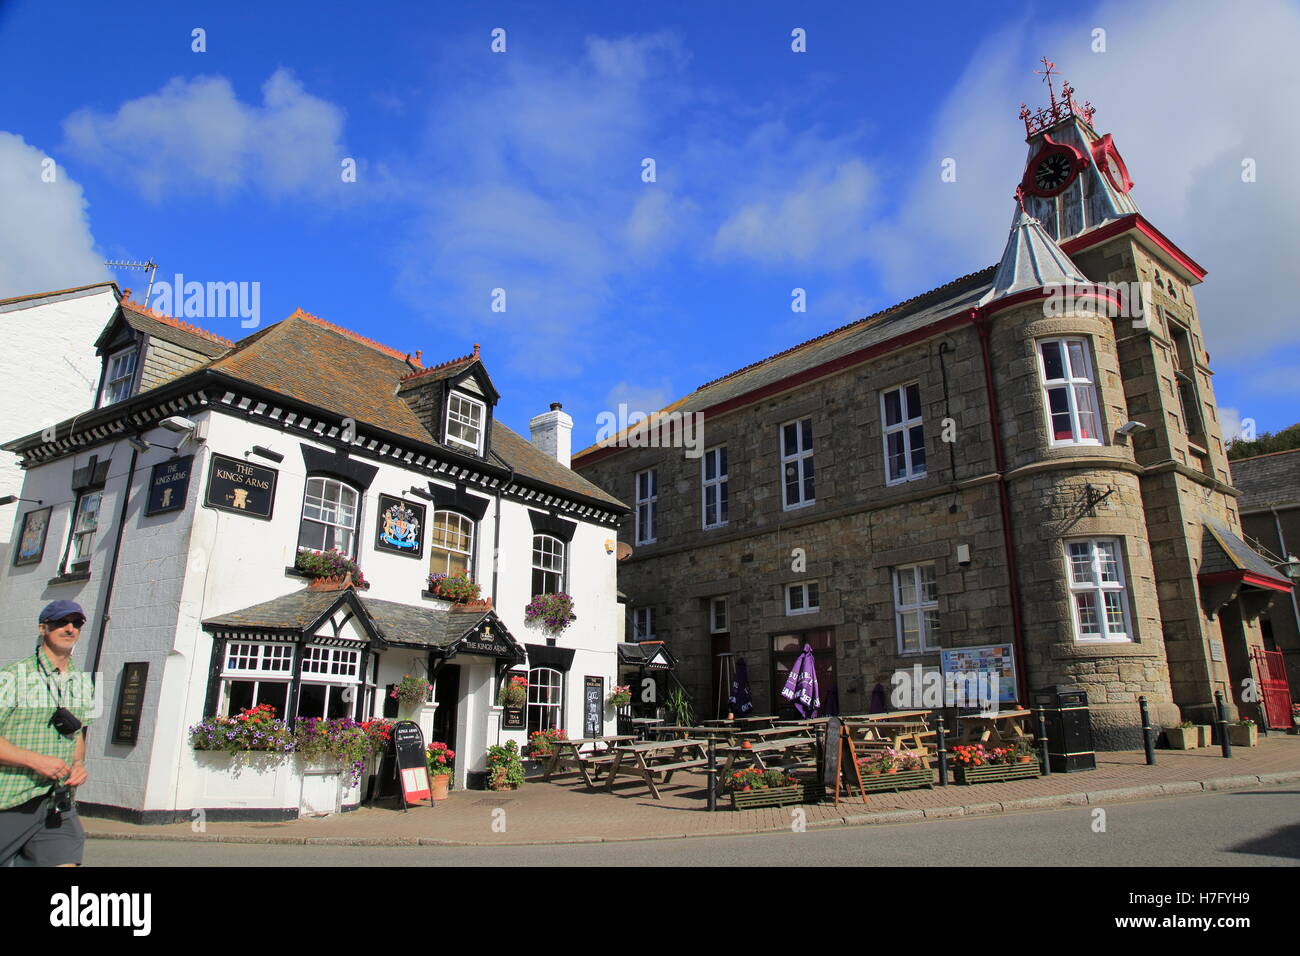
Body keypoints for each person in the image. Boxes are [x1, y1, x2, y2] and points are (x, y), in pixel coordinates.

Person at [0, 600, 94, 866]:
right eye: (60, 623)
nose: (69, 628)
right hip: (11, 799)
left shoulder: (82, 682)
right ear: (43, 628)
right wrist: (33, 760)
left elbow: (76, 735)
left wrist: (78, 764)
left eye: (76, 623)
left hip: (56, 802)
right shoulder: (13, 677)